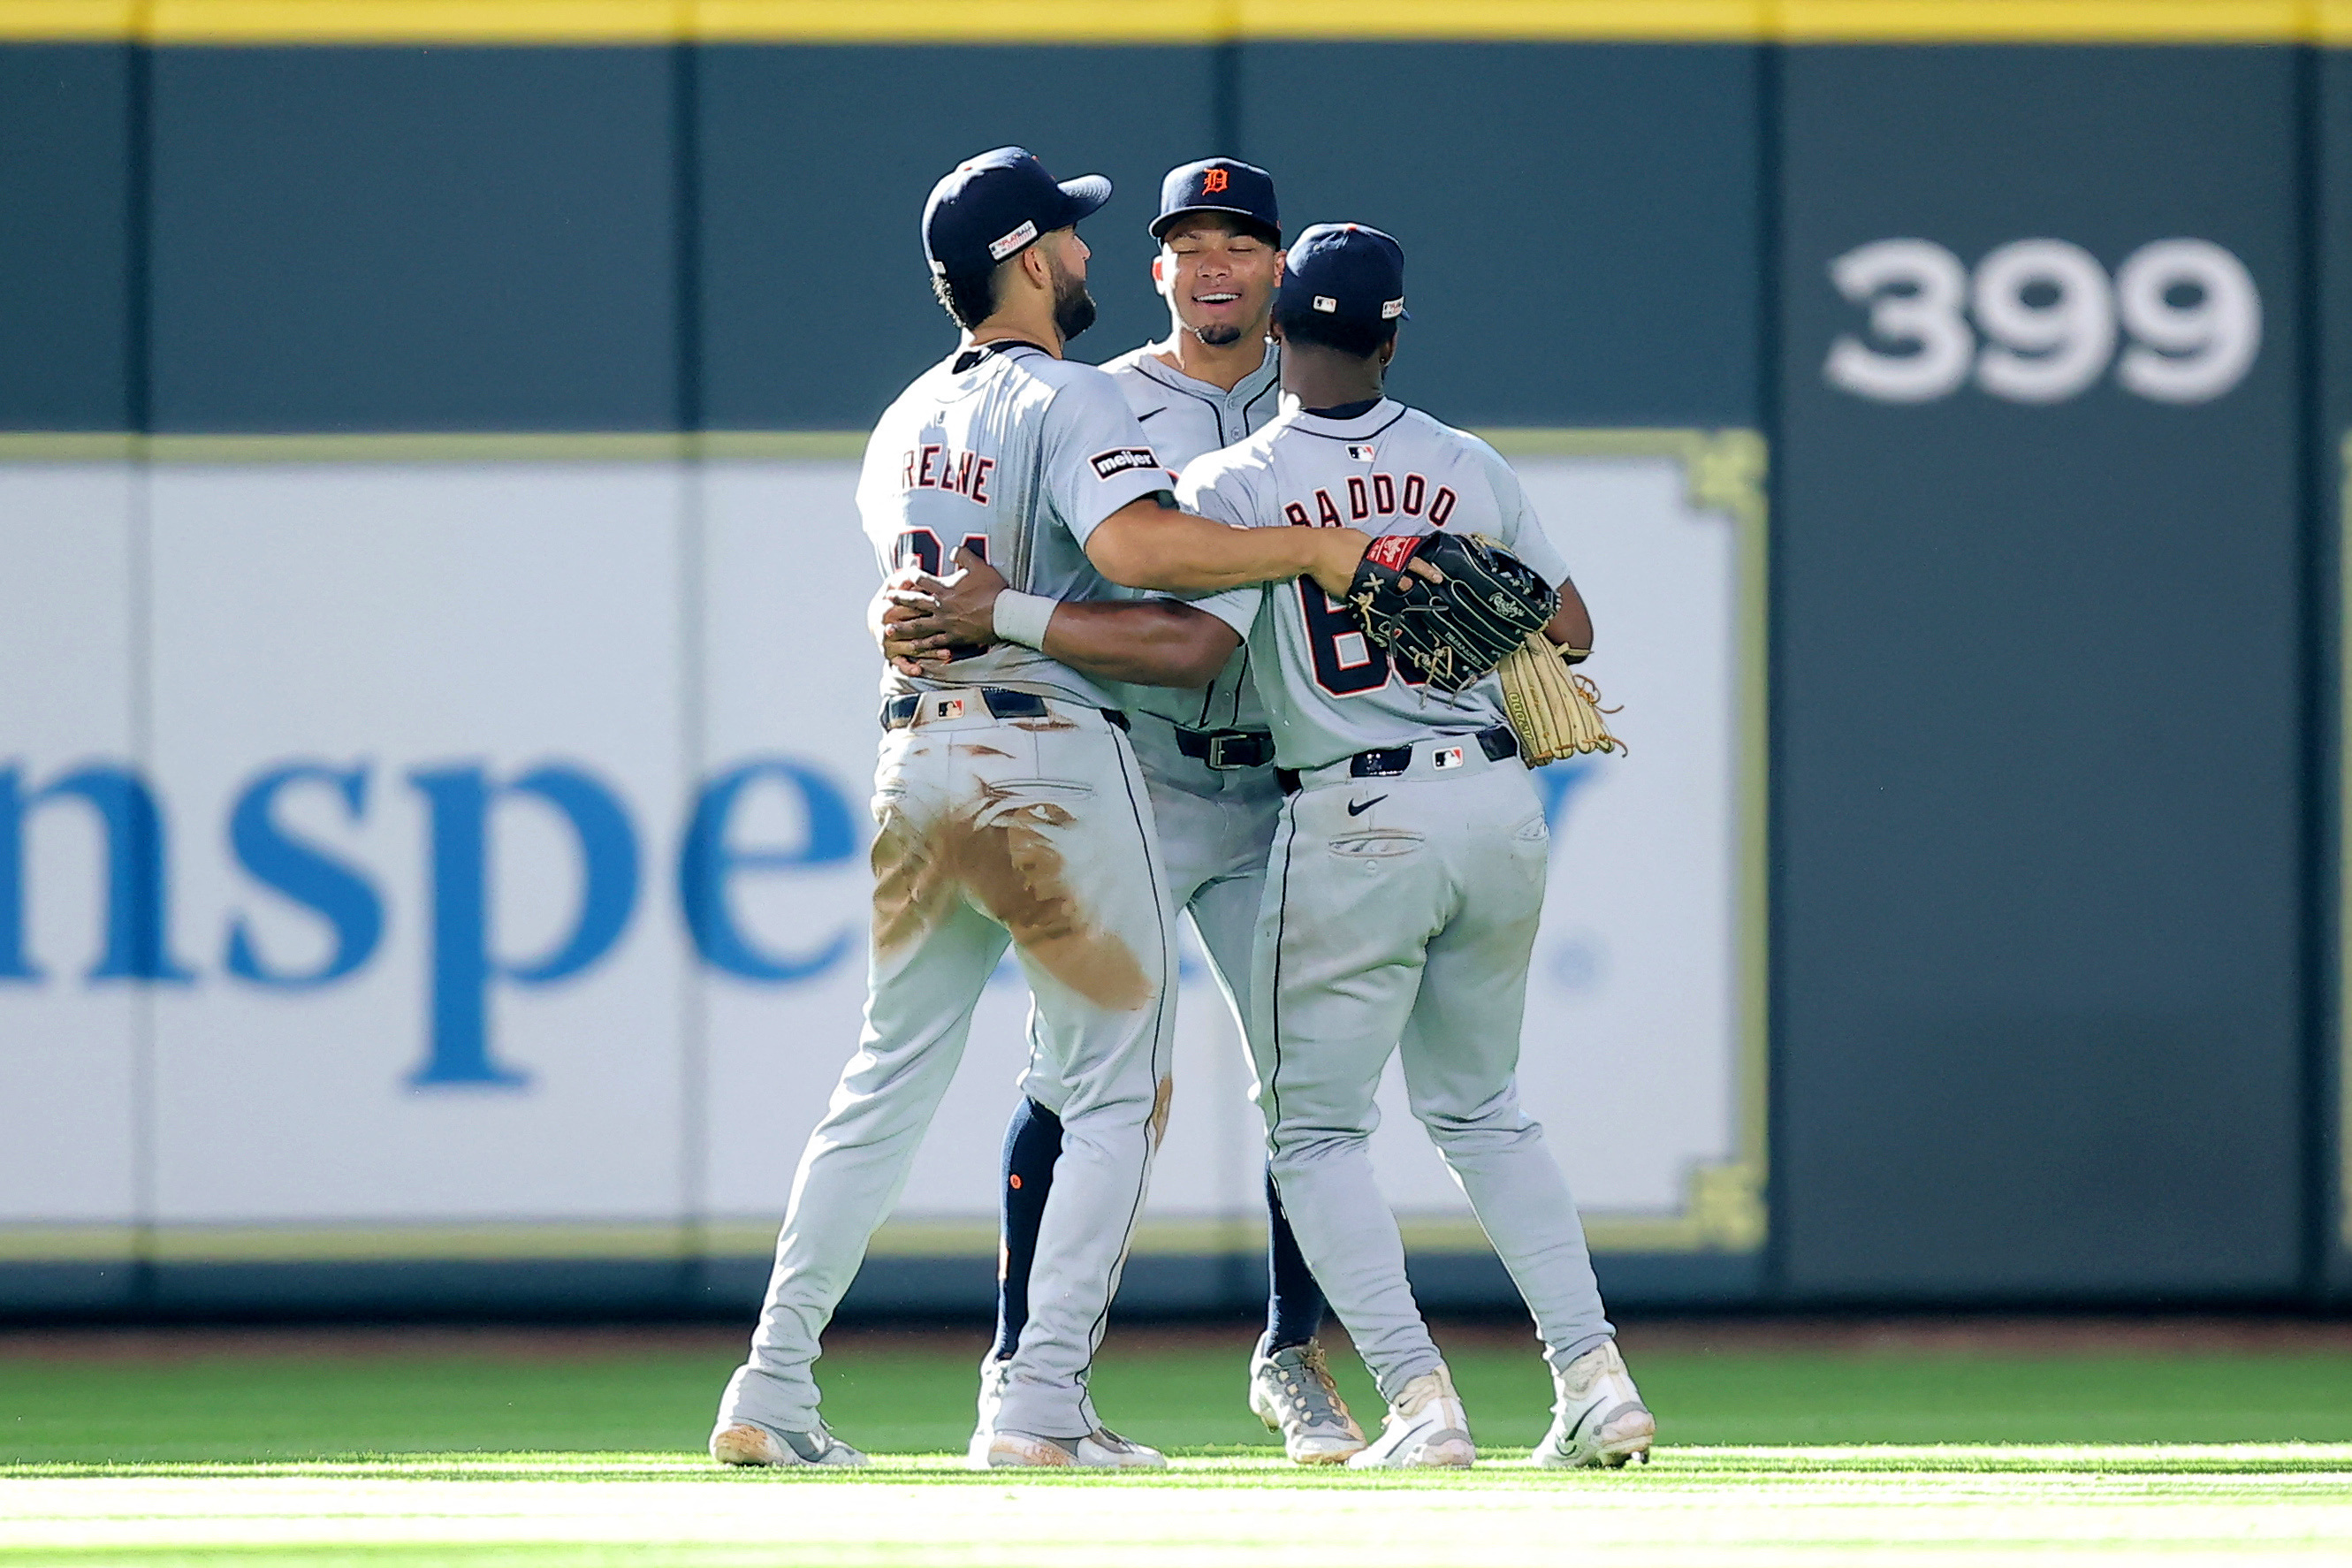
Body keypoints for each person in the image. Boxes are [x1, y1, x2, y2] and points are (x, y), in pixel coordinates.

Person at [708, 147, 1367, 1473]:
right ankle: (1039, 1400)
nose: (1081, 253)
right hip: (1053, 760)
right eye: (1066, 237)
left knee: (880, 1081)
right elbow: (1136, 561)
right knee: (1113, 1086)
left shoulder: (901, 416)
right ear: (1023, 262)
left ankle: (769, 1380)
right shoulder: (1071, 397)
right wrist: (1310, 544)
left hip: (918, 758)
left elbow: (903, 598)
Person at [1167, 223, 1657, 1468]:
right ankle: (1594, 1377)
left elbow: (1185, 653)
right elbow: (1574, 628)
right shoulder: (1462, 463)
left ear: (1276, 324)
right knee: (1483, 1110)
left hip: (1355, 810)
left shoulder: (1237, 484)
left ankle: (1416, 1401)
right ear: (1390, 334)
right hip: (1494, 807)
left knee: (1317, 1132)